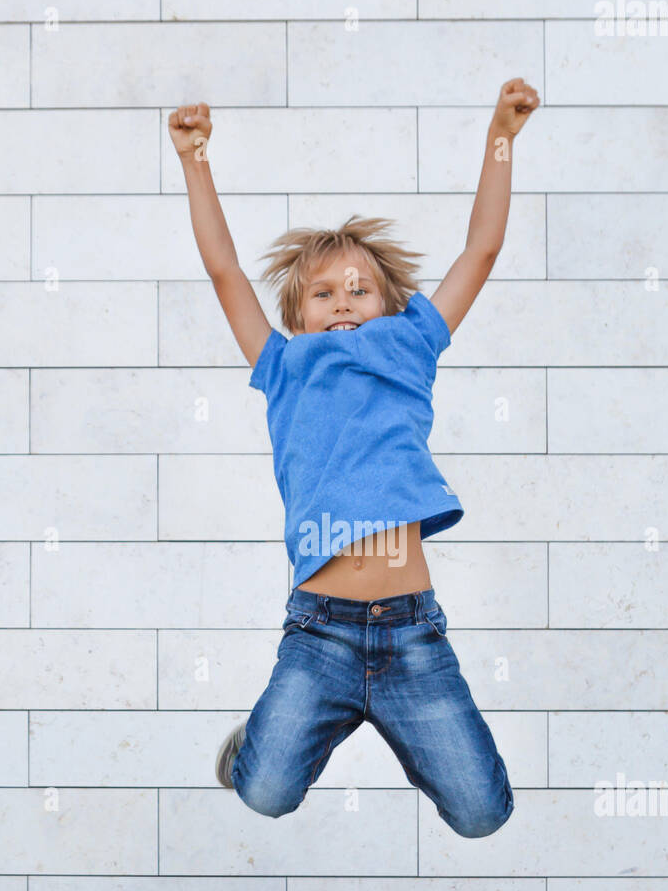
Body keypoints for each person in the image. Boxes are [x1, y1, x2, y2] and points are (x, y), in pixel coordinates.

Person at [168, 79, 540, 837]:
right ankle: (263, 746)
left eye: (360, 289)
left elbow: (483, 248)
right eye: (322, 293)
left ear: (390, 306)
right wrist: (194, 158)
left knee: (481, 813)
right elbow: (224, 272)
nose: (342, 300)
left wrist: (501, 133)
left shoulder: (411, 345)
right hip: (320, 634)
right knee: (265, 792)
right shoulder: (283, 365)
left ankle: (402, 729)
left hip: (412, 632)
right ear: (296, 316)